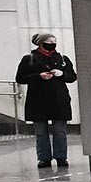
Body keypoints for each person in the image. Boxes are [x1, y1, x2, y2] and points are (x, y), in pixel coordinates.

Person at [15, 32, 77, 170]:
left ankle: (61, 157)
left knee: (59, 130)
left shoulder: (62, 58)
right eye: (48, 42)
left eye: (53, 42)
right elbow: (20, 78)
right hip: (37, 101)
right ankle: (44, 158)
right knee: (40, 131)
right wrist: (39, 76)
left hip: (59, 100)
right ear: (41, 43)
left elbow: (72, 76)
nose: (51, 45)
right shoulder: (29, 59)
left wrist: (61, 74)